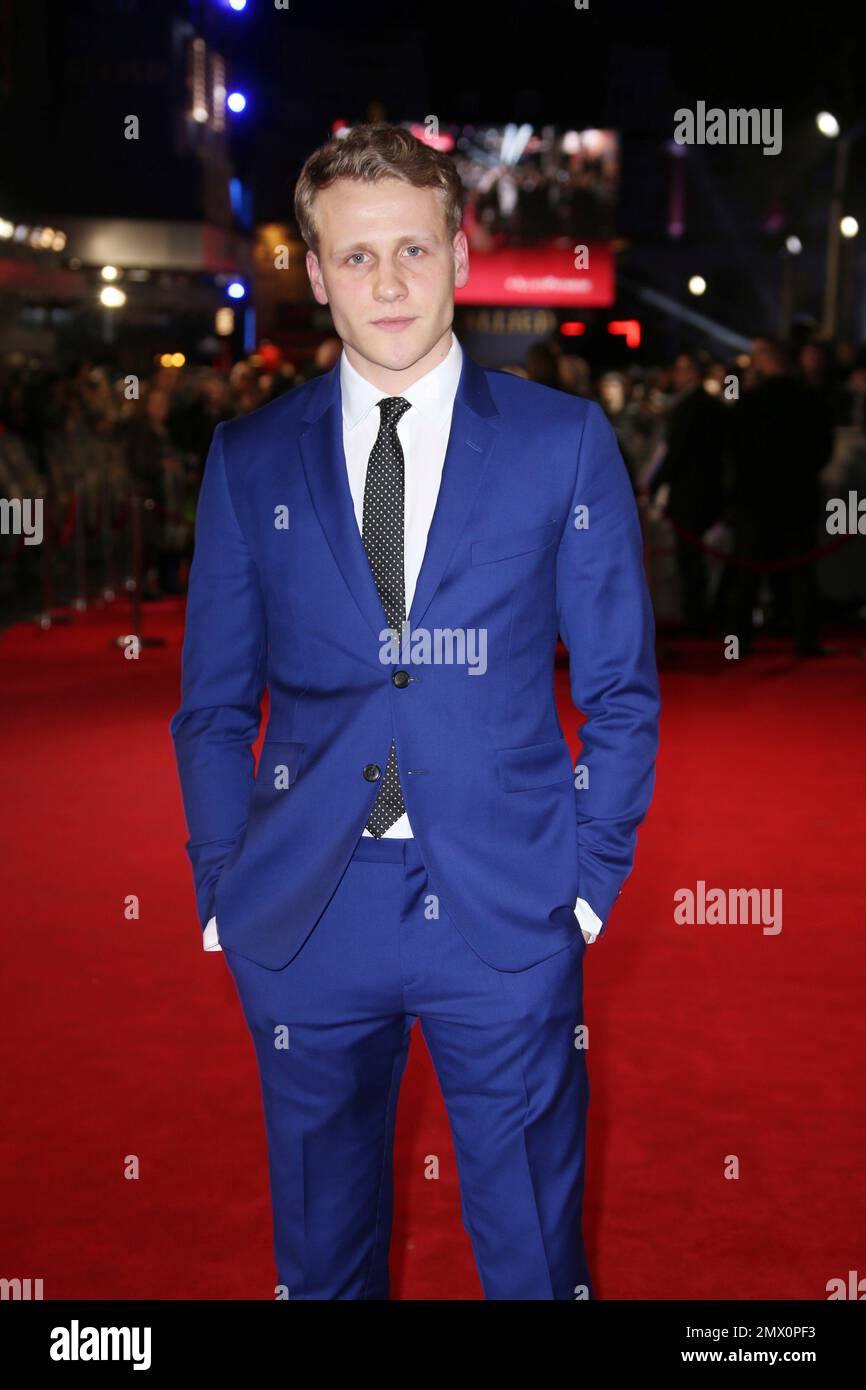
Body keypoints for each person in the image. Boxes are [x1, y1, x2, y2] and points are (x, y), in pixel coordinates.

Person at [170, 122, 660, 1301]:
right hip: (305, 912)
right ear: (316, 271)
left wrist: (586, 883)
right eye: (354, 257)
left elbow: (617, 690)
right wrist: (221, 878)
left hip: (505, 905)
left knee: (533, 1256)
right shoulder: (248, 457)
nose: (385, 283)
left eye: (410, 250)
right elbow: (211, 702)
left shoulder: (561, 442)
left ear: (458, 249)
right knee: (322, 1261)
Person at [730, 338, 833, 656]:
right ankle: (805, 640)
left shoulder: (750, 401)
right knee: (801, 572)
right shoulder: (811, 399)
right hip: (797, 498)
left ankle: (739, 642)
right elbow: (823, 449)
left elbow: (735, 450)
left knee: (746, 575)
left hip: (755, 499)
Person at [649, 351, 729, 633]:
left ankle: (697, 617)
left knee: (690, 559)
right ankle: (702, 614)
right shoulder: (714, 406)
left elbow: (676, 453)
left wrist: (653, 485)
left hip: (689, 494)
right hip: (709, 491)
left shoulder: (689, 407)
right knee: (698, 559)